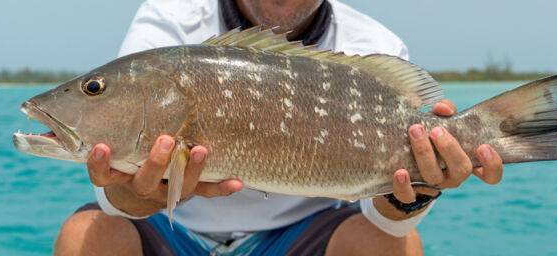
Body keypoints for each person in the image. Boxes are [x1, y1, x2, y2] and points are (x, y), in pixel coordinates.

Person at [54, 0, 504, 255]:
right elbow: (115, 204)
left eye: (93, 89)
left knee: (397, 248)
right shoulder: (169, 21)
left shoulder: (374, 45)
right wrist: (136, 191)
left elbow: (384, 224)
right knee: (86, 238)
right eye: (95, 89)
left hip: (302, 237)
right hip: (171, 233)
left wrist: (417, 192)